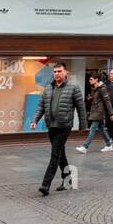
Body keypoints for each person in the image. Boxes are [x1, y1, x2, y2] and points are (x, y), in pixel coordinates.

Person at [31, 61, 87, 197]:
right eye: (55, 72)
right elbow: (41, 106)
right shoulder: (48, 88)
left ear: (65, 73)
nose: (56, 74)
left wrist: (82, 124)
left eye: (59, 71)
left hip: (64, 125)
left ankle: (45, 184)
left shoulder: (73, 88)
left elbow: (81, 107)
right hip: (51, 125)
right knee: (60, 153)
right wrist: (35, 120)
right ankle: (68, 179)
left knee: (55, 154)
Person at [76, 73, 113, 154]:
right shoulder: (95, 88)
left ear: (96, 79)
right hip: (95, 111)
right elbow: (97, 98)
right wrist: (91, 97)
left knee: (92, 129)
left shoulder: (102, 88)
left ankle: (85, 147)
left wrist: (111, 113)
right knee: (101, 129)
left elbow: (107, 101)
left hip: (99, 111)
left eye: (91, 79)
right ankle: (109, 144)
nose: (89, 81)